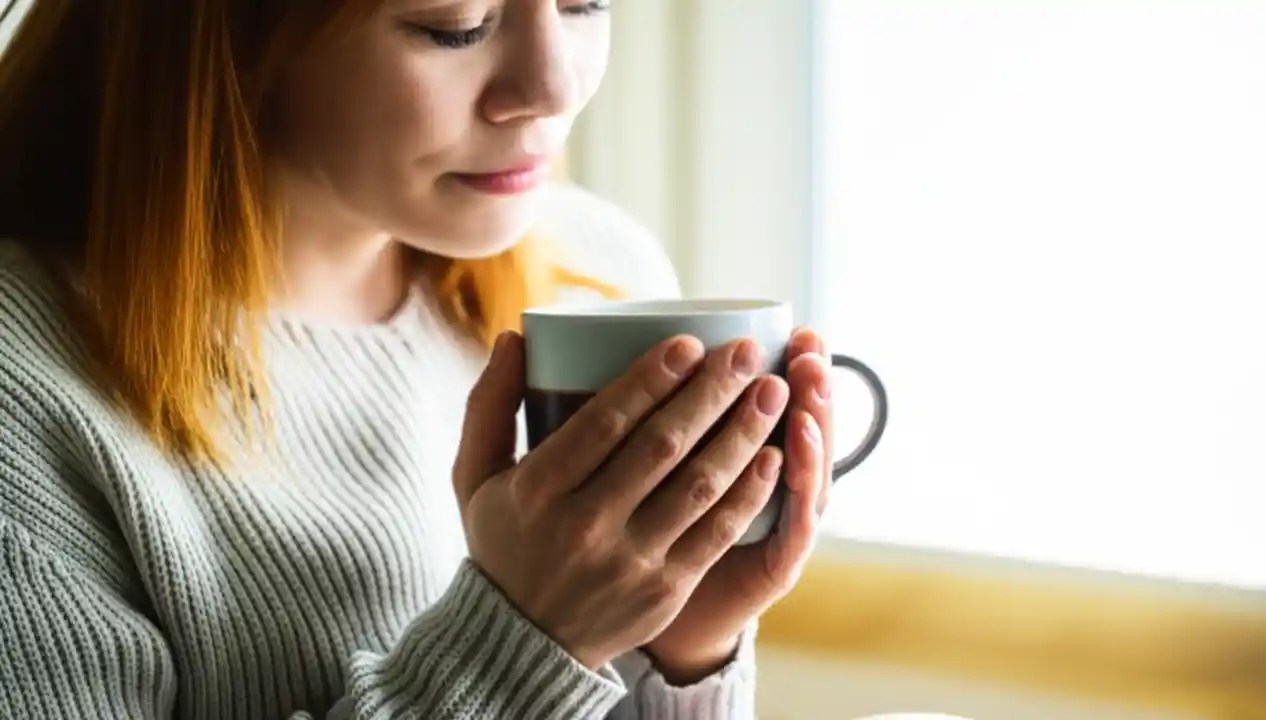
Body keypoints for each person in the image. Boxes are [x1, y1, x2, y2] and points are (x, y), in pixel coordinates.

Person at [0, 1, 837, 718]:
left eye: (585, 1)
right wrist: (522, 644)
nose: (553, 88)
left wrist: (679, 652)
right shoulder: (27, 385)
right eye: (455, 26)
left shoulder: (599, 275)